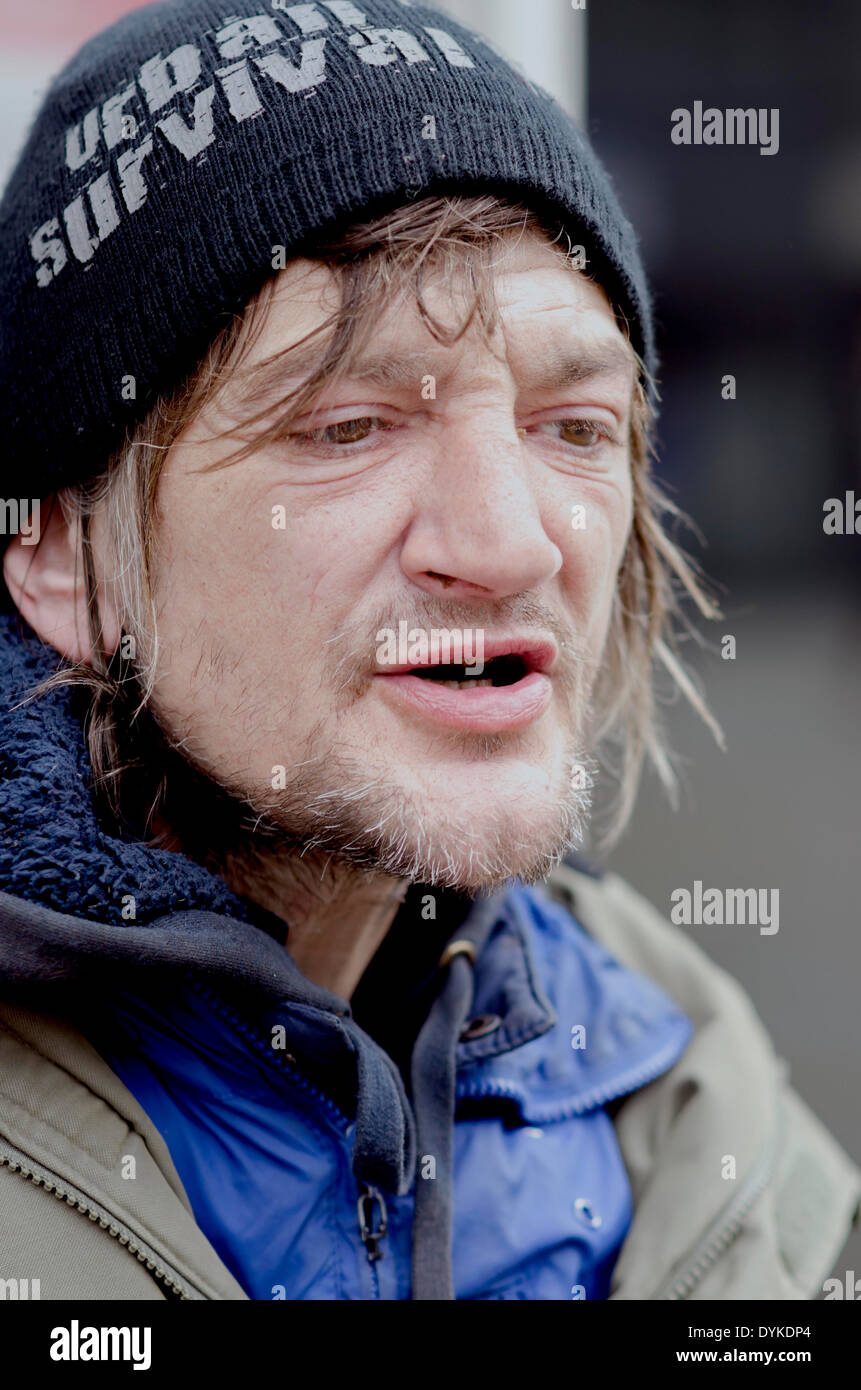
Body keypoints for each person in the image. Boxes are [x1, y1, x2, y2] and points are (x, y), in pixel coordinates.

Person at [0, 0, 857, 1302]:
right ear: (64, 551)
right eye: (348, 425)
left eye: (571, 426)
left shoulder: (692, 1097)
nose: (509, 542)